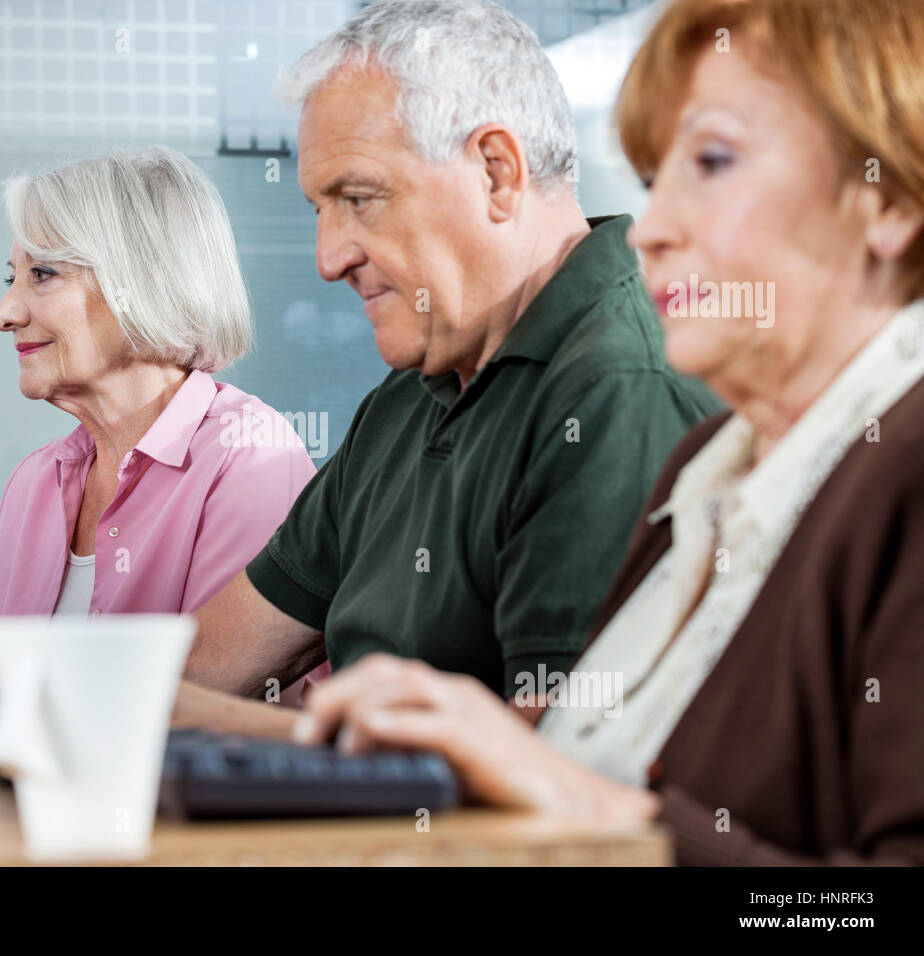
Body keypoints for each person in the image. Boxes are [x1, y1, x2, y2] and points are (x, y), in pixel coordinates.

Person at [0, 0, 721, 730]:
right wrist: (46, 672)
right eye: (318, 209)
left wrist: (75, 684)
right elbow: (213, 665)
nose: (327, 257)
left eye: (360, 197)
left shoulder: (615, 388)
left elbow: (558, 772)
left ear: (497, 172)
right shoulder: (410, 398)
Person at [295, 0, 924, 866]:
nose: (655, 228)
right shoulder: (707, 470)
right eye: (655, 176)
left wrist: (597, 814)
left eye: (713, 161)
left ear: (884, 198)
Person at [0, 146, 317, 700]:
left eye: (43, 274)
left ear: (143, 282)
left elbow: (200, 692)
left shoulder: (249, 456)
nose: (3, 312)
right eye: (12, 277)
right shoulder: (40, 481)